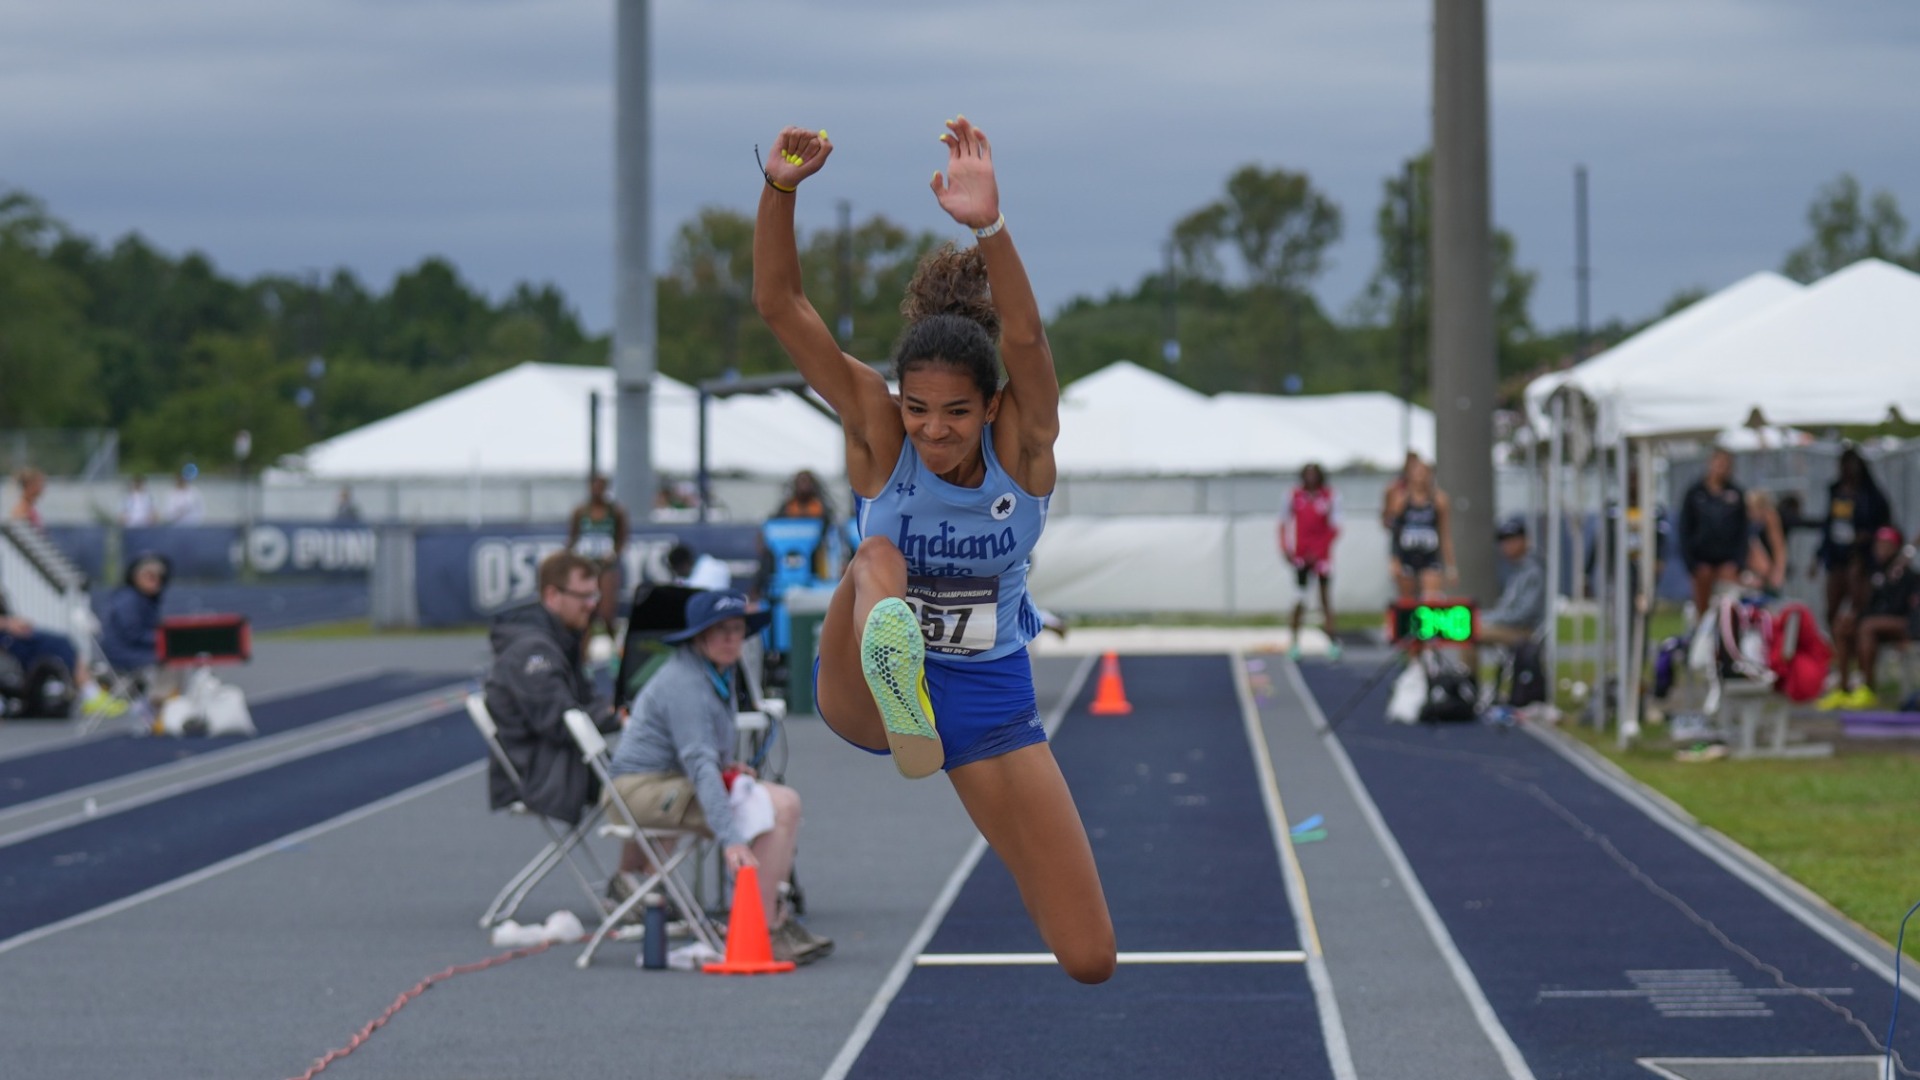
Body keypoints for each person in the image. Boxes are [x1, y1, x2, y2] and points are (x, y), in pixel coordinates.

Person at [752, 117, 1114, 984]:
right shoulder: (881, 436)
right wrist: (779, 190)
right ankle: (896, 654)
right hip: (868, 687)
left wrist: (991, 229)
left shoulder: (1023, 449)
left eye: (955, 413)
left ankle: (912, 674)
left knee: (1089, 956)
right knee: (875, 560)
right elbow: (782, 308)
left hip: (988, 696)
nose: (933, 430)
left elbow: (1025, 343)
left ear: (992, 407)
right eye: (917, 409)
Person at [606, 589, 831, 965]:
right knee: (778, 807)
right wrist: (731, 840)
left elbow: (707, 757)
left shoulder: (712, 671)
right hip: (638, 791)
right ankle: (764, 928)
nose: (731, 638)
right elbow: (699, 764)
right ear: (699, 636)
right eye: (720, 630)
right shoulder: (686, 682)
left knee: (784, 803)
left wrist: (729, 769)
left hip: (666, 783)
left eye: (737, 629)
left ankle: (768, 920)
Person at [483, 552, 623, 829]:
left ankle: (640, 858)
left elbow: (584, 702)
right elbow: (560, 722)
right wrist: (622, 714)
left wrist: (621, 709)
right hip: (544, 775)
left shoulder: (561, 639)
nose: (592, 606)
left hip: (557, 765)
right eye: (583, 596)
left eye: (594, 596)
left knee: (652, 782)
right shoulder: (533, 650)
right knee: (657, 790)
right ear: (552, 596)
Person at [1818, 526, 1916, 711]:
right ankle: (1843, 688)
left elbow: (1902, 609)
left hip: (1904, 625)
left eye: (1886, 545)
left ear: (1896, 547)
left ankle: (1868, 688)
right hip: (1875, 625)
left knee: (1867, 626)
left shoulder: (1906, 574)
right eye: (1879, 544)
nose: (1881, 549)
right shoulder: (1873, 573)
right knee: (1842, 625)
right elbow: (1869, 607)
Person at [0, 578, 121, 719]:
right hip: (7, 640)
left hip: (12, 636)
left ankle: (90, 692)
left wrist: (18, 623)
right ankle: (90, 693)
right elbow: (7, 622)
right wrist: (8, 623)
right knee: (59, 646)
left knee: (63, 643)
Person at [1811, 447, 1893, 638]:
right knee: (1832, 605)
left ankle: (1855, 642)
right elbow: (1828, 526)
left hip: (1859, 558)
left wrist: (1867, 537)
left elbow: (1883, 524)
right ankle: (1836, 644)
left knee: (1858, 605)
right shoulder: (1836, 490)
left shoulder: (1871, 495)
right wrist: (1818, 557)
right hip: (1836, 557)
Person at [1677, 448, 1747, 622]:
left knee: (1728, 606)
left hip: (1727, 561)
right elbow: (1685, 528)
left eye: (1725, 464)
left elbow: (1743, 531)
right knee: (1703, 607)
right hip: (1702, 561)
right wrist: (1692, 564)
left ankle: (1726, 634)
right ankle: (1701, 630)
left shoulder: (1736, 494)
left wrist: (1738, 563)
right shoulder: (1695, 493)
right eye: (1718, 463)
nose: (1721, 468)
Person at [1280, 463, 1340, 661]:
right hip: (1301, 556)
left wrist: (1320, 551)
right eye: (1308, 474)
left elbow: (1335, 528)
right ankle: (1294, 642)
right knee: (1300, 598)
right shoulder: (1294, 496)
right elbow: (1283, 523)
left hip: (1321, 557)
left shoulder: (1330, 496)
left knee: (1325, 599)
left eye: (1314, 474)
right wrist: (1286, 548)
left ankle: (1332, 642)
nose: (1311, 478)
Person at [566, 474, 630, 640]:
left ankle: (614, 646)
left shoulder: (616, 511)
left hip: (607, 566)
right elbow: (572, 538)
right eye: (594, 486)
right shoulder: (580, 511)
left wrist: (614, 553)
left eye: (601, 487)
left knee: (607, 613)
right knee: (586, 614)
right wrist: (571, 559)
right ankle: (582, 651)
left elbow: (622, 538)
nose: (597, 491)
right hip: (586, 565)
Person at [1384, 457, 1454, 601]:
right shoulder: (1401, 499)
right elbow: (1395, 531)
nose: (1420, 476)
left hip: (1429, 555)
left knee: (1431, 598)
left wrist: (1451, 565)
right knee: (1407, 601)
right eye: (1416, 472)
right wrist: (1394, 559)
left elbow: (1444, 533)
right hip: (1407, 555)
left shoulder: (1439, 500)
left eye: (1424, 472)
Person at [1478, 518, 1546, 649]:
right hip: (1511, 626)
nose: (1508, 545)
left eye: (1513, 540)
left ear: (1526, 541)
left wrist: (1487, 619)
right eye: (1504, 541)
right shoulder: (1516, 570)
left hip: (1526, 631)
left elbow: (1523, 615)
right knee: (1468, 630)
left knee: (1472, 632)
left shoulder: (1533, 571)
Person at [772, 469, 837, 580]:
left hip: (815, 550)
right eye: (801, 482)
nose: (804, 485)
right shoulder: (789, 506)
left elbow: (828, 527)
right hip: (791, 547)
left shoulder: (819, 507)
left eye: (807, 482)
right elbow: (774, 525)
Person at [1743, 489, 1788, 596]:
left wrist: (1778, 572)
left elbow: (1779, 547)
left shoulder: (1770, 517)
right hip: (1750, 569)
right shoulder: (1747, 523)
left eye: (1753, 508)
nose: (1750, 513)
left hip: (1766, 571)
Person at [667, 542, 733, 592]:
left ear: (684, 565)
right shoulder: (717, 566)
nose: (677, 574)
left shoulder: (711, 572)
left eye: (676, 571)